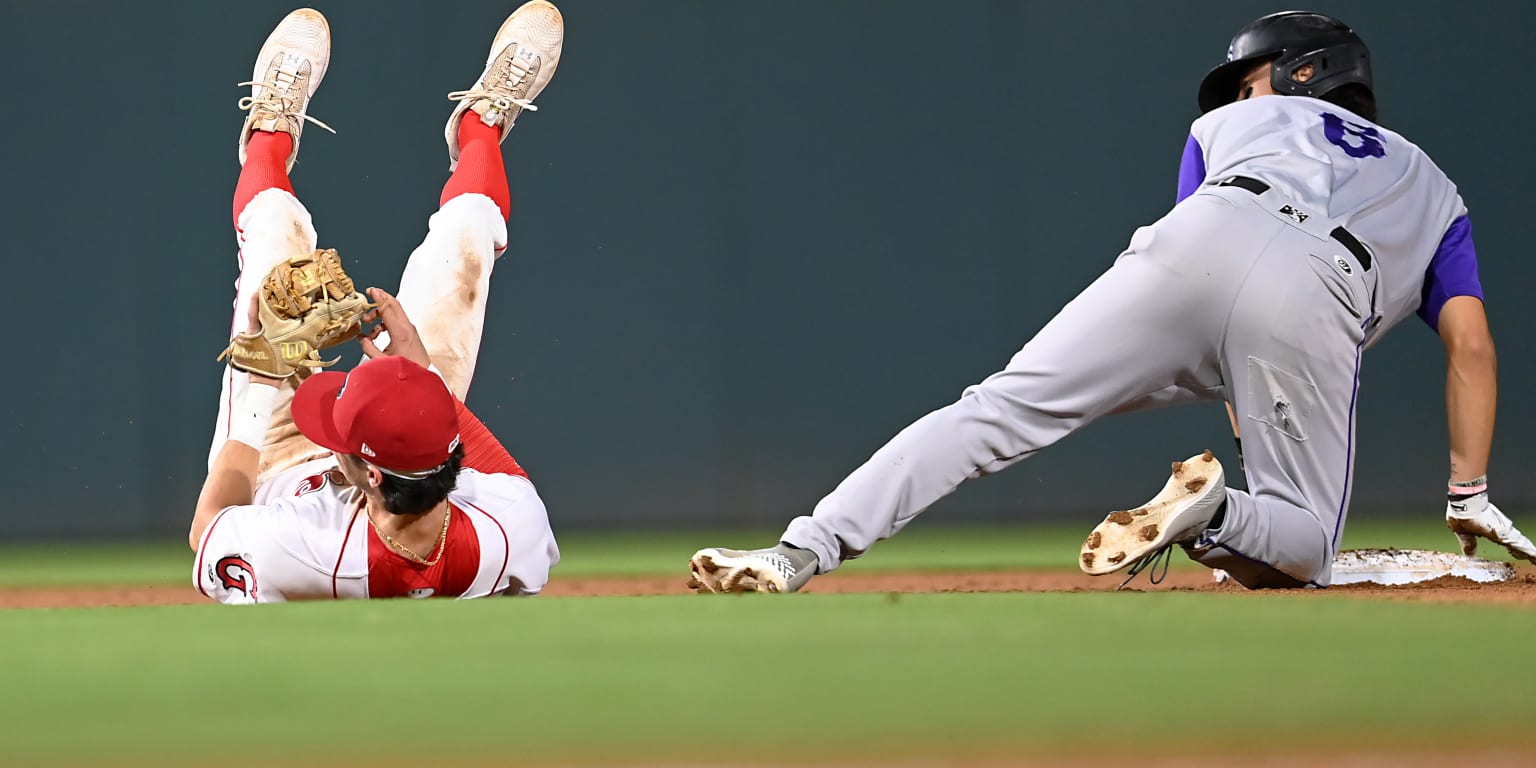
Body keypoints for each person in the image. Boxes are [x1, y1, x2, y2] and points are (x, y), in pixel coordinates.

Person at [688, 10, 1535, 593]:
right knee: (1305, 545)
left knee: (994, 411)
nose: (1241, 96)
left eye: (1252, 78)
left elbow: (1208, 244)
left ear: (1306, 71)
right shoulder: (1436, 188)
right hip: (1317, 292)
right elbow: (1470, 347)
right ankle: (1218, 514)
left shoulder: (1229, 131)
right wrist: (1467, 490)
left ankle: (802, 548)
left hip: (1200, 238)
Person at [189, 2, 564, 603]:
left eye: (336, 409)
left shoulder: (304, 549)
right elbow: (502, 475)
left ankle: (269, 130)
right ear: (449, 464)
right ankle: (482, 125)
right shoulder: (506, 529)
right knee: (467, 232)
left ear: (367, 474)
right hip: (403, 452)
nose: (336, 387)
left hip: (275, 458)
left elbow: (208, 530)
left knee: (275, 231)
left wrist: (259, 368)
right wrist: (420, 379)